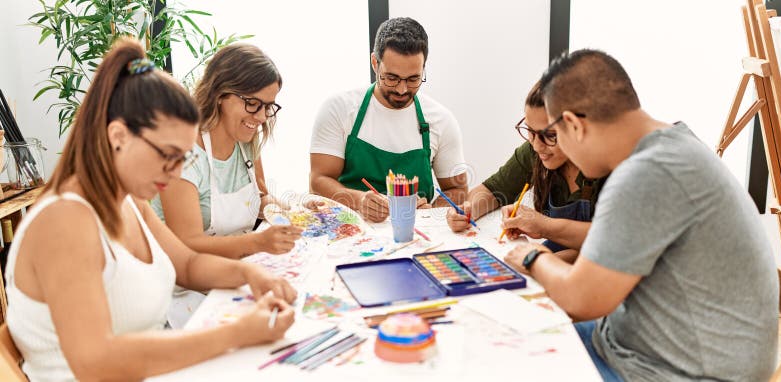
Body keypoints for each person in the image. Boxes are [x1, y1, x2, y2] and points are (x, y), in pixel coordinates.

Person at [5, 38, 296, 381]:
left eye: (184, 157)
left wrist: (251, 275)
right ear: (118, 136)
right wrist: (236, 334)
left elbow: (187, 264)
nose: (176, 173)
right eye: (168, 155)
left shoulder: (130, 202)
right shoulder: (65, 220)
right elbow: (95, 362)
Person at [503, 49, 778, 381]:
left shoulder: (648, 174)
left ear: (574, 125)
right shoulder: (673, 145)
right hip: (640, 345)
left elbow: (580, 298)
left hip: (675, 371)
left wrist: (533, 256)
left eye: (555, 134)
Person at [310, 17, 468, 223]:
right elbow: (318, 180)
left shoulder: (441, 120)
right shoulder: (338, 109)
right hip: (351, 230)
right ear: (375, 63)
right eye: (391, 78)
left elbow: (457, 189)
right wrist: (358, 200)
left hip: (414, 234)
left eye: (413, 79)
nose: (402, 90)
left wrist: (430, 210)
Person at [153, 44, 303, 260]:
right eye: (253, 104)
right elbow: (187, 243)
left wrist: (294, 212)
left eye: (268, 107)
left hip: (233, 265)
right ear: (220, 94)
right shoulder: (183, 154)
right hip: (185, 280)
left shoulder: (247, 141)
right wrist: (256, 242)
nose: (261, 117)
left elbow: (259, 198)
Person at [446, 82, 606, 253]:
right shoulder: (536, 153)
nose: (537, 146)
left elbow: (609, 241)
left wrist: (543, 227)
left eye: (549, 135)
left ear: (577, 127)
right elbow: (493, 190)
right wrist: (468, 210)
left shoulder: (605, 165)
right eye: (530, 131)